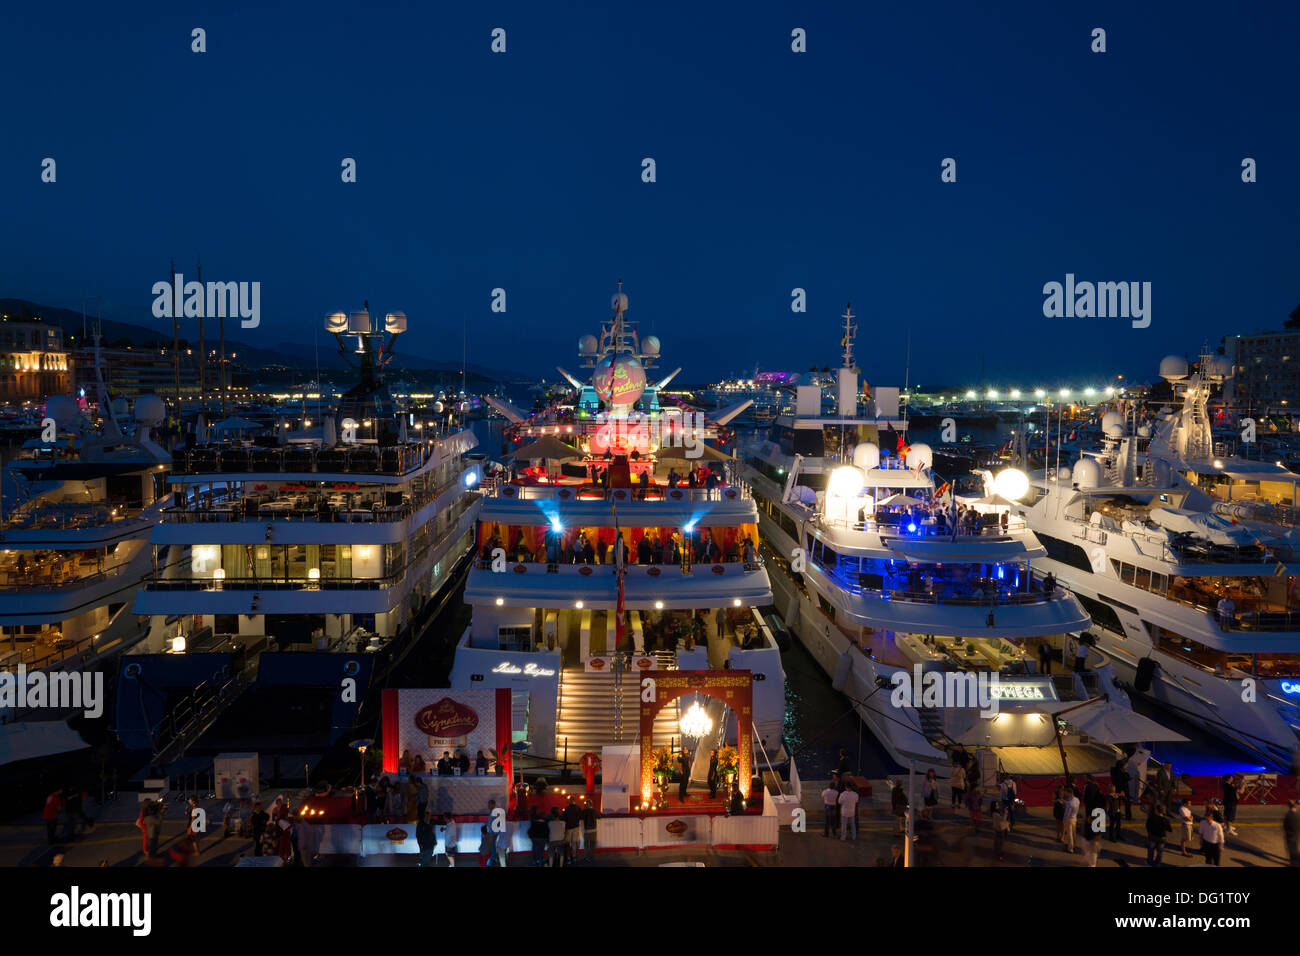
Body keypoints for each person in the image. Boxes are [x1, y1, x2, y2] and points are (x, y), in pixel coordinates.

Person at [562, 797, 582, 864]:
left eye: (569, 800)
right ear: (574, 801)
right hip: (576, 827)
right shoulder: (578, 808)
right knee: (574, 843)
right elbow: (580, 816)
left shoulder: (567, 808)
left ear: (570, 801)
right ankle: (574, 857)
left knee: (568, 843)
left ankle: (568, 858)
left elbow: (563, 818)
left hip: (568, 828)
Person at [1063, 786, 1080, 853]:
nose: (1065, 794)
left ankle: (1070, 848)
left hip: (1069, 819)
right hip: (1074, 818)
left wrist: (1064, 819)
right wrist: (1066, 802)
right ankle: (1074, 845)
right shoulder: (1076, 800)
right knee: (1074, 833)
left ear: (1069, 793)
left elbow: (1067, 813)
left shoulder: (1070, 803)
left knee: (1069, 834)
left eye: (1066, 793)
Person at [1283, 799, 1299, 866]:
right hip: (1296, 834)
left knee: (1292, 849)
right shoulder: (1297, 813)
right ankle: (1296, 860)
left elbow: (1286, 824)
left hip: (1290, 834)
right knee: (1294, 847)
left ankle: (1294, 863)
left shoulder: (1290, 814)